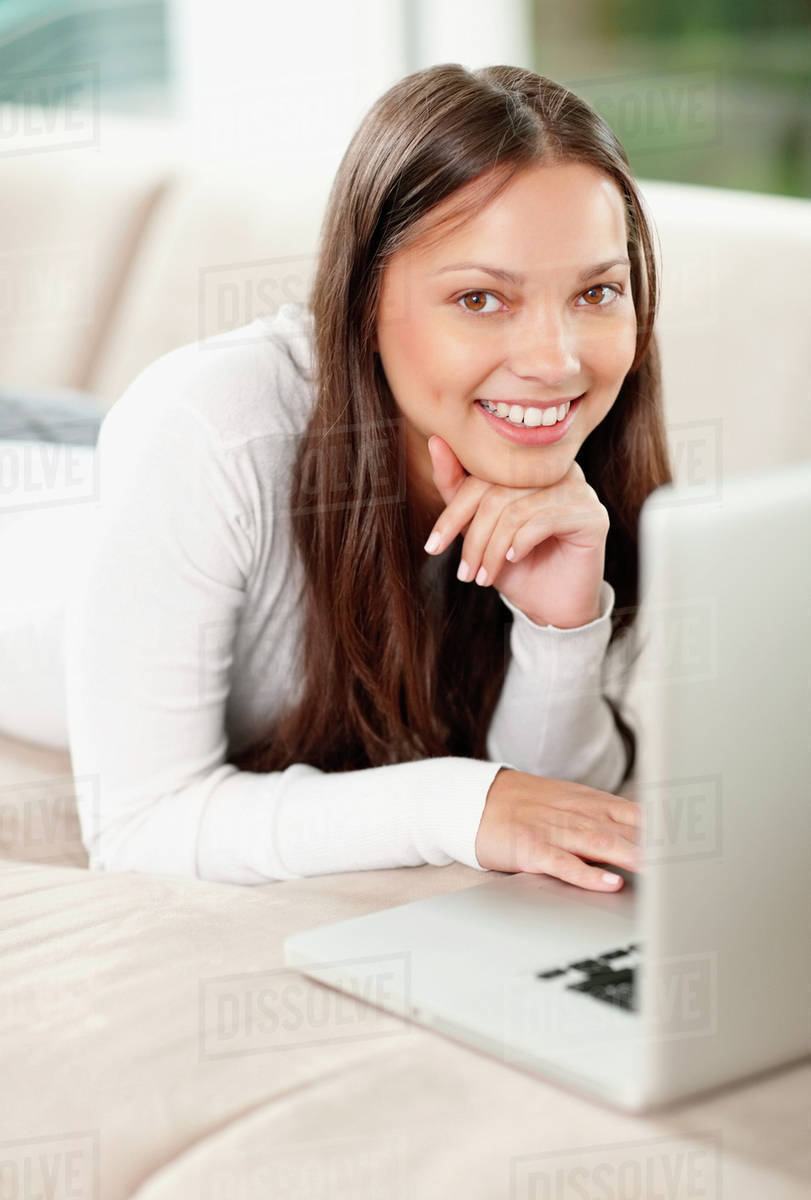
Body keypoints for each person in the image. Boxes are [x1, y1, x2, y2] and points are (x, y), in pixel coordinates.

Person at [19, 64, 672, 887]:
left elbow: (560, 807)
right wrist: (461, 805)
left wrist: (559, 629)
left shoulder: (576, 467)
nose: (556, 361)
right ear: (361, 300)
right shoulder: (204, 424)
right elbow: (139, 826)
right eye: (480, 299)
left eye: (596, 292)